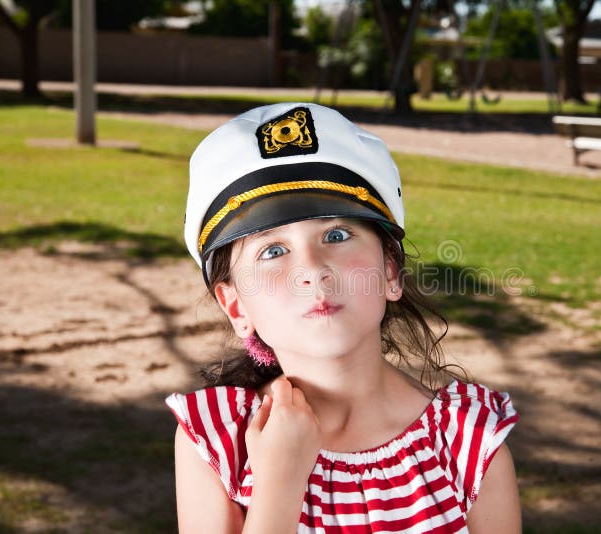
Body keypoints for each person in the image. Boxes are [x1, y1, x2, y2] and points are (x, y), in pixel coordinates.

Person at [166, 103, 521, 533]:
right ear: (237, 307)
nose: (313, 270)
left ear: (390, 270)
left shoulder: (468, 444)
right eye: (273, 251)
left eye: (336, 235)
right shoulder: (218, 444)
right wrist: (280, 482)